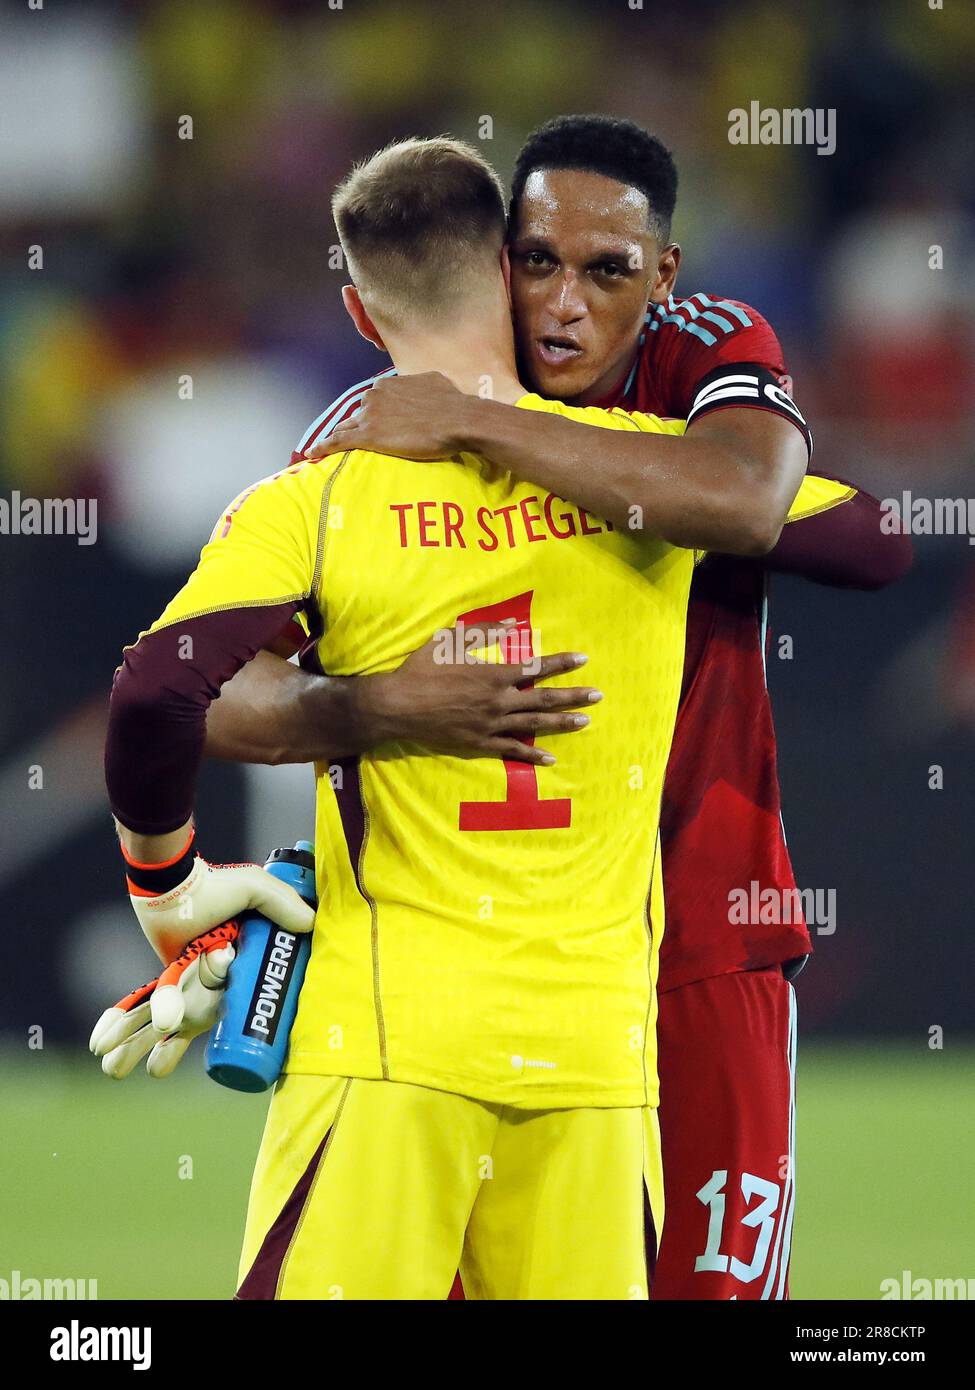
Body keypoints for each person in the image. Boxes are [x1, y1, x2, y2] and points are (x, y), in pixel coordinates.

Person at [203, 116, 911, 1299]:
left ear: (663, 280)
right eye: (537, 262)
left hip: (698, 933)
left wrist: (485, 424)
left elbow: (846, 534)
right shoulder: (390, 448)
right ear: (493, 263)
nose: (564, 305)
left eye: (607, 272)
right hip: (481, 981)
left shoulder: (694, 359)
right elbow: (216, 684)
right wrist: (369, 715)